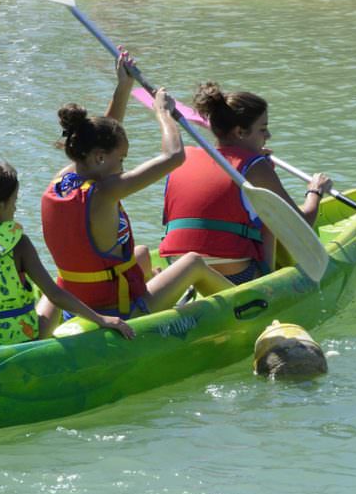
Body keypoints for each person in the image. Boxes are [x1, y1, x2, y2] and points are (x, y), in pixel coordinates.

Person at [36, 51, 235, 331]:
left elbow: (103, 131)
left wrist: (124, 87)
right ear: (100, 158)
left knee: (140, 254)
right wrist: (164, 114)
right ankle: (245, 306)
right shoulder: (106, 191)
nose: (122, 167)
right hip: (120, 311)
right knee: (193, 262)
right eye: (121, 160)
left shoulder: (62, 180)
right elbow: (174, 156)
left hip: (78, 301)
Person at [0, 162, 136, 345]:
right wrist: (101, 319)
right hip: (18, 338)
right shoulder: (17, 243)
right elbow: (55, 296)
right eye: (14, 202)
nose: (15, 209)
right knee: (57, 287)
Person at [159, 83, 334, 282]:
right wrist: (315, 191)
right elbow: (301, 225)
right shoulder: (256, 166)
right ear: (240, 132)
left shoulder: (183, 156)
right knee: (269, 210)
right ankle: (269, 280)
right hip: (236, 274)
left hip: (177, 265)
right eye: (263, 129)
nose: (268, 136)